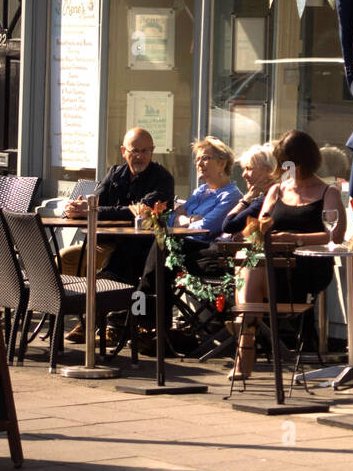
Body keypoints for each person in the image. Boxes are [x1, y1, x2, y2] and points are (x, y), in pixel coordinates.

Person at [231, 130, 345, 380]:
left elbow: (334, 236)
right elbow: (257, 232)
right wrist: (256, 231)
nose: (284, 171)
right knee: (250, 259)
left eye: (289, 165)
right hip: (271, 268)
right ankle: (247, 334)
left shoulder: (328, 193)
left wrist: (295, 238)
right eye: (283, 166)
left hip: (306, 268)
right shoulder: (277, 191)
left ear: (303, 164)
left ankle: (245, 343)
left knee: (252, 264)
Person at [59, 127, 175, 340]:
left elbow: (140, 211)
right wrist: (76, 208)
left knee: (113, 269)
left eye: (145, 151)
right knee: (65, 259)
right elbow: (96, 201)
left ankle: (101, 319)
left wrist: (92, 209)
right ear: (124, 151)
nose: (140, 156)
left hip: (138, 248)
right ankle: (86, 317)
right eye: (134, 150)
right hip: (105, 243)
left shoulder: (162, 178)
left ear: (152, 152)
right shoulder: (115, 173)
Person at [129, 137, 241, 341]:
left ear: (222, 163)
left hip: (207, 252)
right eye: (197, 159)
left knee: (160, 250)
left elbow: (207, 228)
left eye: (205, 158)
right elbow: (171, 216)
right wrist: (188, 219)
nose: (199, 164)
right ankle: (152, 324)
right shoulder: (201, 192)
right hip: (184, 246)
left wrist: (183, 220)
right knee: (153, 258)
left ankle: (143, 318)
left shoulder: (230, 196)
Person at [220, 142, 278, 235]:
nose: (244, 175)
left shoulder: (266, 200)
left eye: (249, 168)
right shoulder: (264, 196)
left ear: (268, 170)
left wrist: (246, 200)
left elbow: (228, 225)